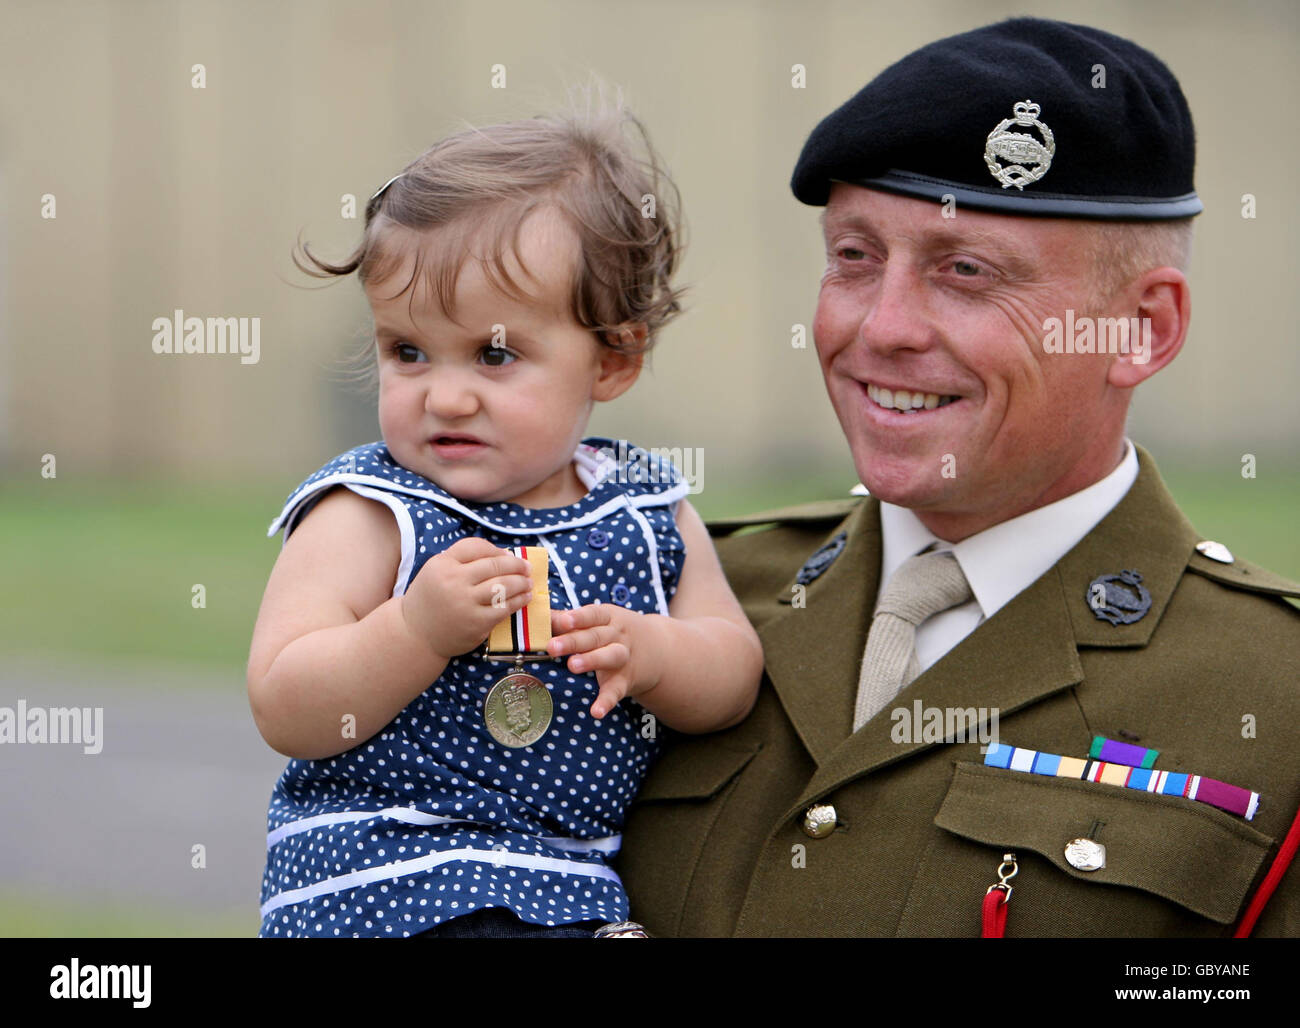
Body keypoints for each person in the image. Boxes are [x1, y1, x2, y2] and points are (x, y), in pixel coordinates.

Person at [616, 17, 1300, 937]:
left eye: (966, 271)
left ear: (1142, 328)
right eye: (854, 257)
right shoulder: (676, 600)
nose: (883, 328)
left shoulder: (1276, 695)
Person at [245, 100, 763, 938]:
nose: (445, 396)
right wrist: (413, 631)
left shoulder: (645, 505)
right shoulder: (372, 509)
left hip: (568, 891)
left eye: (494, 354)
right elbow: (285, 705)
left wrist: (658, 652)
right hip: (383, 882)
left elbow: (734, 676)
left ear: (614, 359)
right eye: (407, 351)